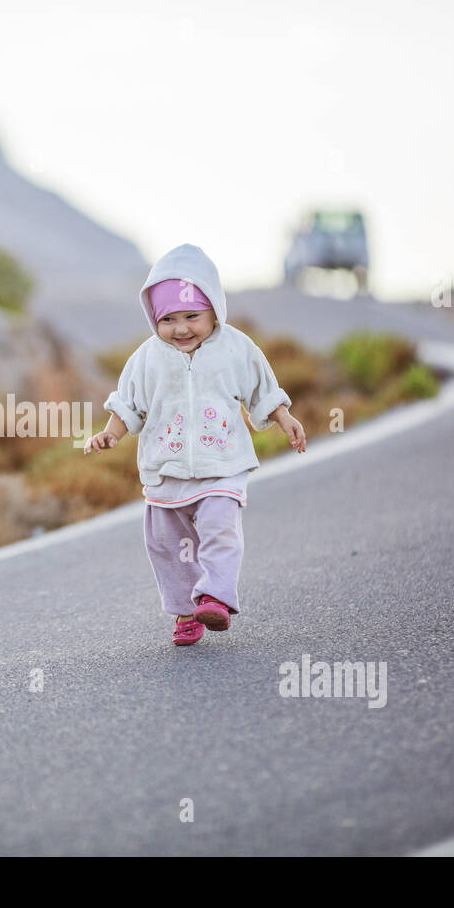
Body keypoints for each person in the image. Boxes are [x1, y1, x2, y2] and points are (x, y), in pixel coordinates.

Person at [83, 243, 306, 646]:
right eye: (168, 319)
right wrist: (110, 434)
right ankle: (186, 613)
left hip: (222, 464)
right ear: (154, 319)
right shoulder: (147, 359)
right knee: (169, 547)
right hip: (165, 472)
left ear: (214, 311)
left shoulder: (236, 349)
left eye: (192, 316)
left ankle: (216, 598)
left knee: (220, 528)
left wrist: (284, 417)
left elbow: (262, 389)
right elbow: (129, 404)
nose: (181, 328)